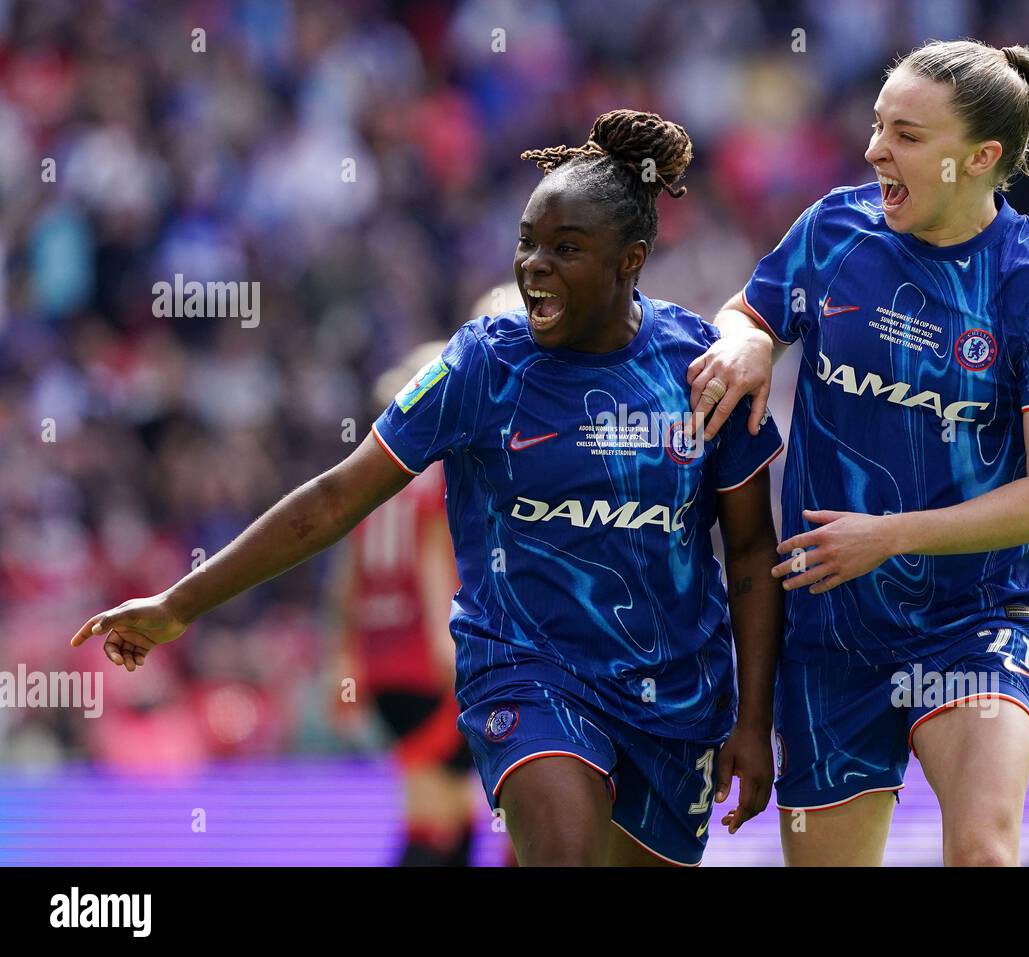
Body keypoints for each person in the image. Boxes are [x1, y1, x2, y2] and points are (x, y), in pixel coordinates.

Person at [72, 109, 784, 867]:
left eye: (565, 248)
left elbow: (747, 550)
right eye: (527, 242)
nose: (534, 265)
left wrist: (752, 720)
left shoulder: (701, 370)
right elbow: (334, 500)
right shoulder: (481, 364)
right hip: (526, 672)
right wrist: (179, 605)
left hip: (675, 695)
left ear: (630, 260)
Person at [686, 39, 1029, 866]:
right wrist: (742, 341)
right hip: (831, 628)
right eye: (879, 126)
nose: (876, 149)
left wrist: (890, 535)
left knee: (985, 850)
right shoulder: (834, 231)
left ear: (980, 157)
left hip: (976, 620)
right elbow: (746, 315)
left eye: (908, 135)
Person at [325, 341, 480, 867]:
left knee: (450, 805)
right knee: (440, 809)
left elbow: (346, 582)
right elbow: (433, 560)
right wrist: (445, 642)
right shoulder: (437, 476)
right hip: (428, 662)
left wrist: (344, 660)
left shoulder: (366, 484)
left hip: (380, 661)